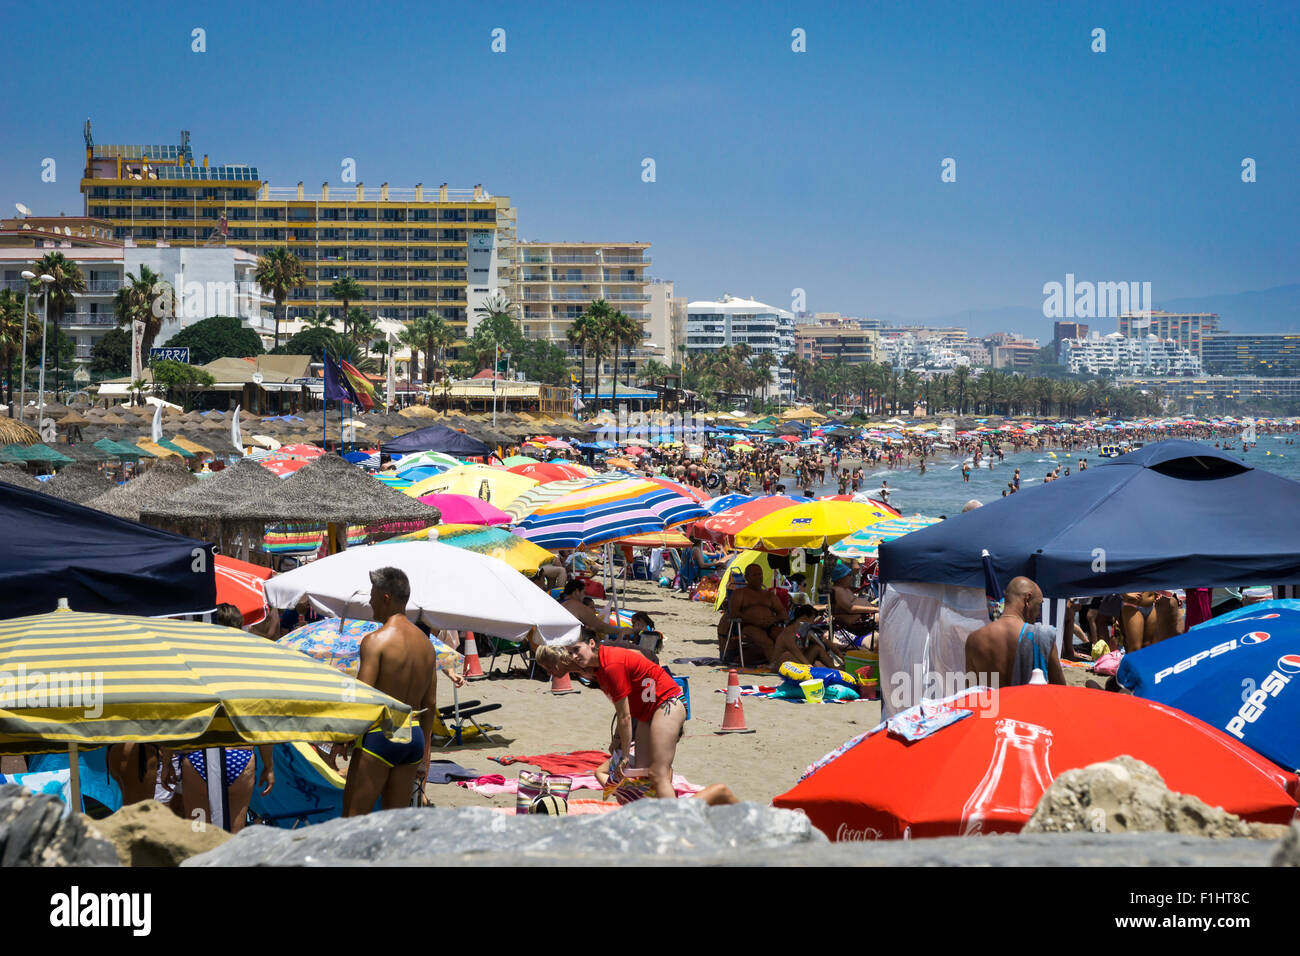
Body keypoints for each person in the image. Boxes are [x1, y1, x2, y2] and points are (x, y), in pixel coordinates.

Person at [536, 636, 687, 801]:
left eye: (549, 667)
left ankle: (674, 814)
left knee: (658, 773)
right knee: (641, 771)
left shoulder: (608, 664)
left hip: (666, 701)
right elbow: (623, 708)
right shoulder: (590, 668)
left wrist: (624, 754)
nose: (548, 673)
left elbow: (624, 716)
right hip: (645, 709)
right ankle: (652, 807)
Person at [341, 567, 438, 816]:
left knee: (353, 821)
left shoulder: (376, 641)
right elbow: (430, 703)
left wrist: (340, 739)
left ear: (385, 598)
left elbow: (363, 697)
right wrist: (425, 755)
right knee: (394, 823)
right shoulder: (427, 646)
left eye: (372, 595)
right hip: (412, 735)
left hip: (381, 733)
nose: (370, 602)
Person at [179, 603, 274, 832]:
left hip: (198, 754)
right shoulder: (250, 669)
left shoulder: (193, 665)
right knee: (233, 837)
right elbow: (261, 721)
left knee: (199, 835)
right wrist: (269, 766)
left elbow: (180, 714)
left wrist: (167, 756)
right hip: (239, 755)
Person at [964, 576, 1065, 687]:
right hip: (1027, 698)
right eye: (1039, 605)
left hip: (995, 699)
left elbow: (971, 692)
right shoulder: (1043, 637)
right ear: (1027, 599)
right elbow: (1060, 688)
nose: (1039, 613)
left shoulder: (974, 639)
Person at [719, 564, 786, 662]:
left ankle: (788, 663)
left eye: (760, 574)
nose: (758, 577)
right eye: (755, 575)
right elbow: (734, 613)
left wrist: (773, 619)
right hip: (748, 626)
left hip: (769, 625)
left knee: (785, 639)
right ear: (746, 577)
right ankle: (776, 666)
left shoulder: (769, 595)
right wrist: (754, 620)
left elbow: (784, 614)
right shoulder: (740, 593)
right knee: (767, 642)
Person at [560, 579, 633, 639]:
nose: (584, 596)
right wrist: (620, 630)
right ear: (576, 592)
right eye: (583, 592)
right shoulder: (577, 606)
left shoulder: (558, 602)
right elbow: (600, 627)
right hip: (567, 644)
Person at [830, 563, 877, 645]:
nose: (851, 577)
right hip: (855, 622)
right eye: (849, 575)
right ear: (841, 578)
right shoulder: (837, 590)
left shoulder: (845, 589)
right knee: (884, 617)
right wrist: (874, 609)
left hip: (862, 617)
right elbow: (850, 608)